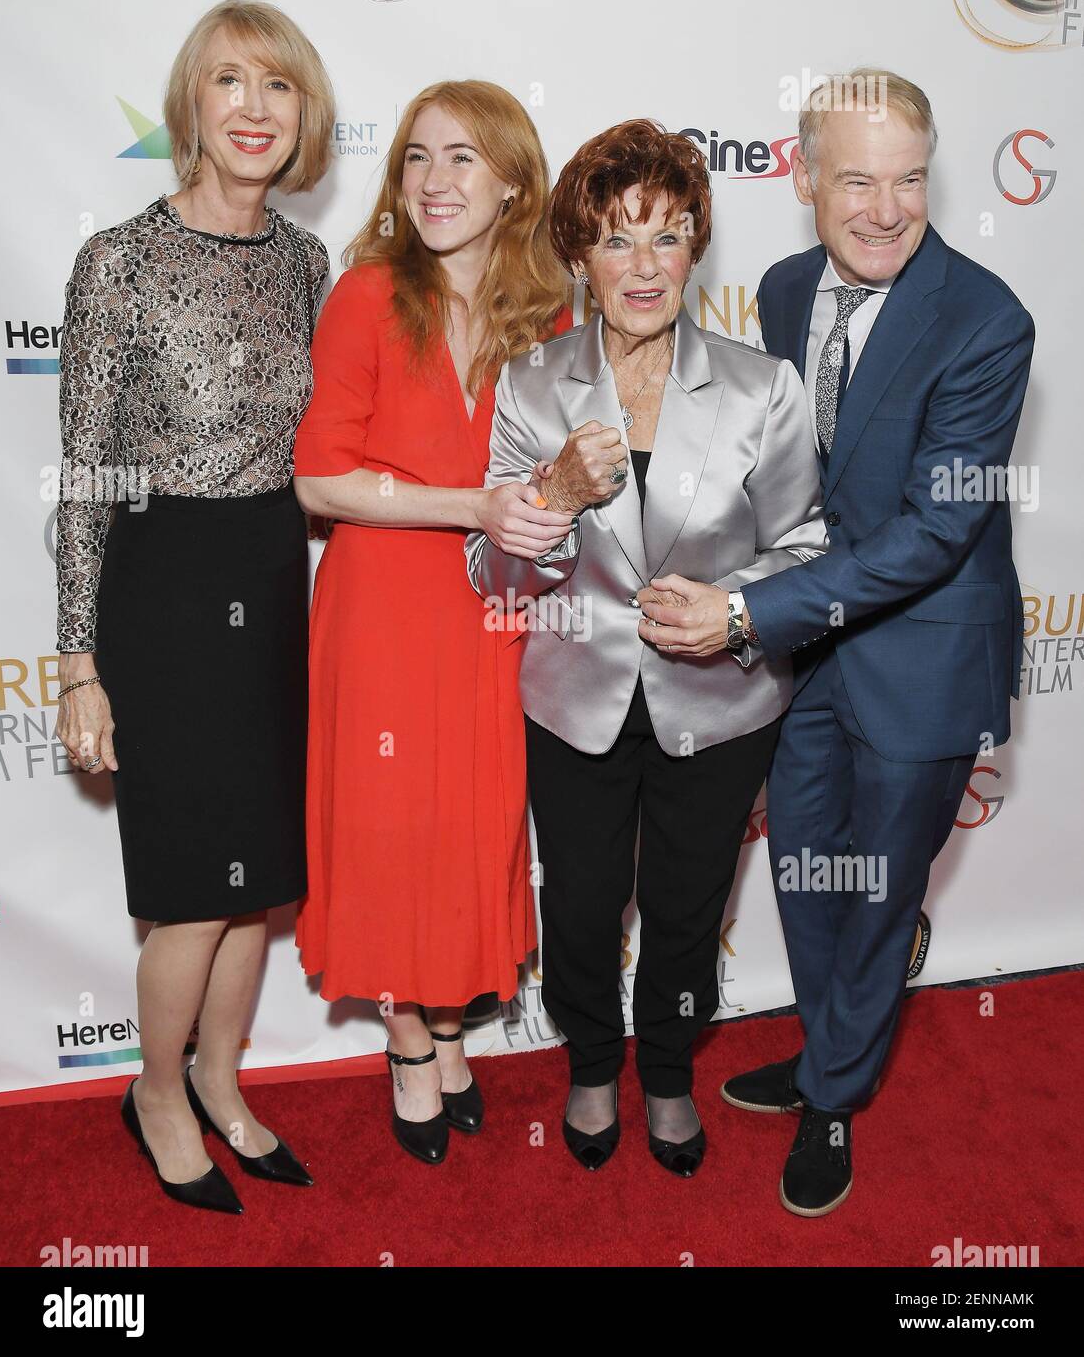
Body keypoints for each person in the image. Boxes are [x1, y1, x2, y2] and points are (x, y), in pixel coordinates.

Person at [465, 119, 826, 1177]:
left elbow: (807, 549)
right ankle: (589, 1063)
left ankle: (665, 1070)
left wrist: (732, 609)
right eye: (617, 240)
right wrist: (549, 498)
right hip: (573, 694)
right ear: (577, 255)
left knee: (682, 904)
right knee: (576, 901)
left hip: (717, 701)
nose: (642, 265)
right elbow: (494, 578)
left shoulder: (761, 387)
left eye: (667, 237)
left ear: (693, 251)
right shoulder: (531, 384)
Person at [707, 69, 1035, 1217]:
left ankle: (833, 1094)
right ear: (801, 177)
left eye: (907, 180)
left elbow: (936, 530)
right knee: (805, 867)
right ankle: (824, 1048)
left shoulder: (986, 319)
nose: (886, 209)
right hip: (808, 660)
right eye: (855, 180)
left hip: (920, 656)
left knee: (881, 887)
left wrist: (748, 614)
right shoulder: (787, 285)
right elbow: (789, 482)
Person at [54, 0, 335, 1212]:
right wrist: (77, 662)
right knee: (186, 887)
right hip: (162, 584)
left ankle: (222, 1080)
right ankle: (154, 1092)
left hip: (273, 574)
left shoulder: (306, 261)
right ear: (194, 106)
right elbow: (86, 477)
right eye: (230, 82)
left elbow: (325, 452)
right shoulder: (119, 257)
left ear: (304, 113)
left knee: (253, 879)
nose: (254, 109)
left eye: (276, 87)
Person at [292, 80, 574, 1166]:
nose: (434, 181)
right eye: (416, 158)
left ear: (510, 182)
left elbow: (550, 473)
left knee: (472, 816)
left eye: (462, 158)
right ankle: (408, 1036)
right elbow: (319, 479)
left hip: (491, 605)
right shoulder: (367, 295)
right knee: (388, 819)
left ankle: (453, 1019)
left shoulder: (543, 313)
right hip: (381, 604)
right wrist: (468, 503)